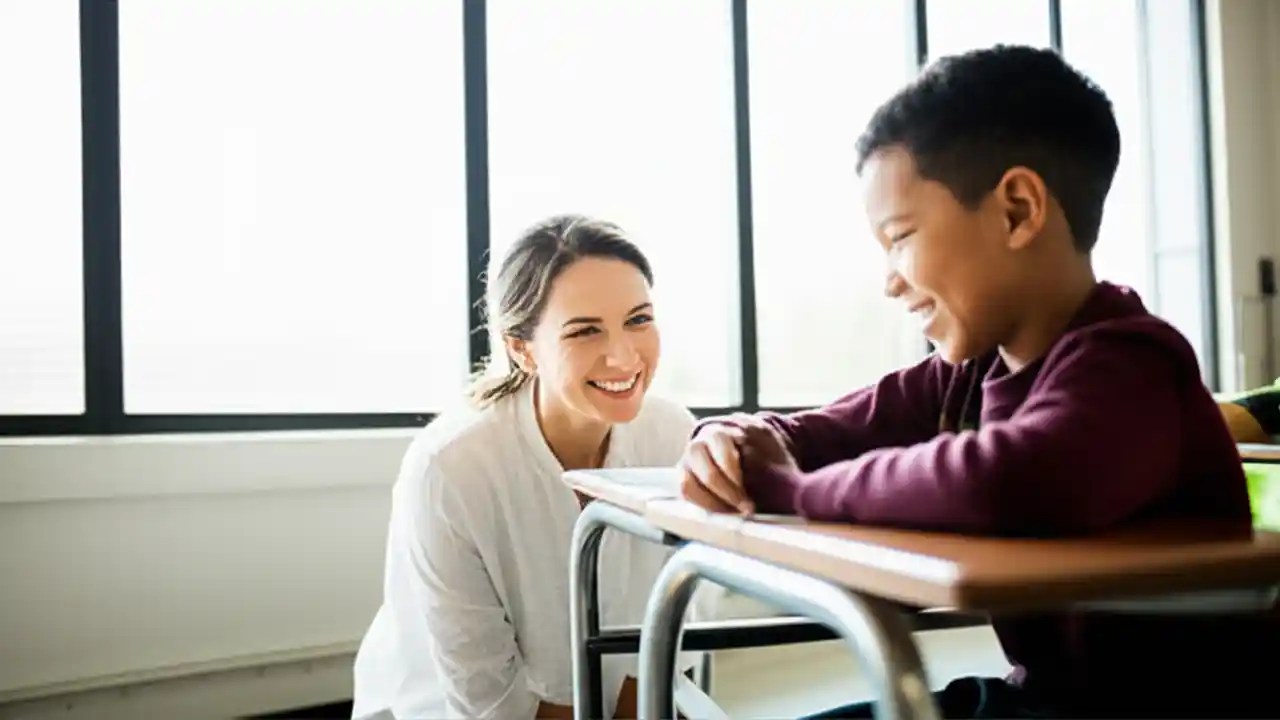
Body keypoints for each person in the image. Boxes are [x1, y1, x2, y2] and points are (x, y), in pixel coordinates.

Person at [678, 45, 1278, 718]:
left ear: (1018, 210)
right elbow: (814, 432)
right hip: (1038, 703)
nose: (890, 280)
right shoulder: (966, 375)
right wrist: (730, 439)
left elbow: (1011, 478)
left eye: (900, 237)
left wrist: (793, 490)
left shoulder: (1133, 366)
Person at [353, 215, 700, 719]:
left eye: (638, 320)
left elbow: (667, 643)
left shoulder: (673, 436)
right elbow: (488, 696)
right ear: (522, 349)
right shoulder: (451, 468)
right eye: (585, 331)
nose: (623, 356)